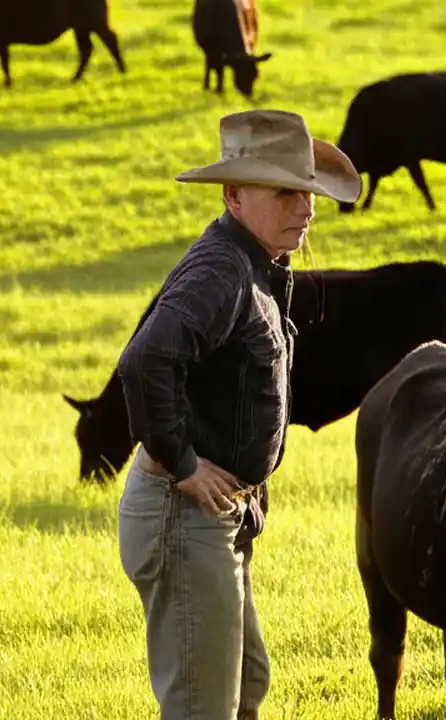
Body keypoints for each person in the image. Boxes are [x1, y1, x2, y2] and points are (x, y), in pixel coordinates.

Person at [115, 109, 361, 720]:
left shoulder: (258, 262)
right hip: (185, 509)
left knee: (246, 686)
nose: (305, 208)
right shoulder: (223, 269)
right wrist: (186, 465)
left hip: (214, 515)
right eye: (286, 192)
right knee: (205, 708)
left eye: (307, 192)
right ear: (234, 195)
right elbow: (146, 361)